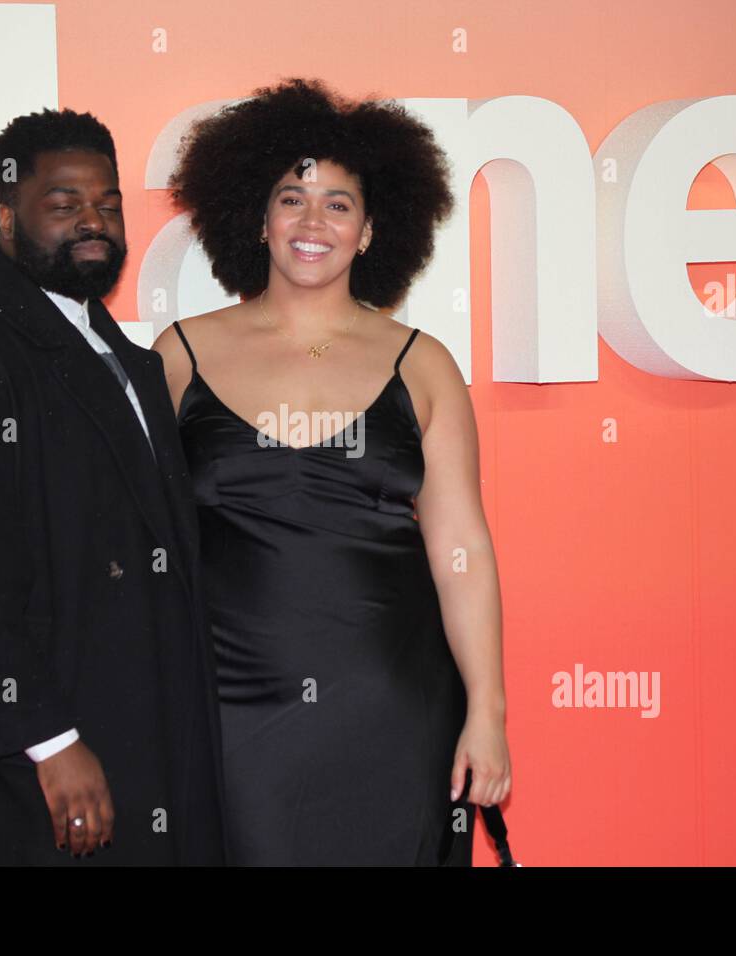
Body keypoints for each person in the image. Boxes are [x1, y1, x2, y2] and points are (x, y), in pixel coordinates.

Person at [153, 78, 511, 865]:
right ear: (257, 214)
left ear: (373, 229)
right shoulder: (178, 356)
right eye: (292, 197)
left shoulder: (424, 365)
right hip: (226, 707)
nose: (313, 222)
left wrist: (487, 709)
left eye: (338, 203)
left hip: (390, 706)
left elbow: (463, 554)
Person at [0, 108, 226, 865]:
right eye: (63, 204)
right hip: (31, 758)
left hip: (135, 727)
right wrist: (51, 743)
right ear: (8, 215)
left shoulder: (119, 353)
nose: (92, 221)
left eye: (106, 203)